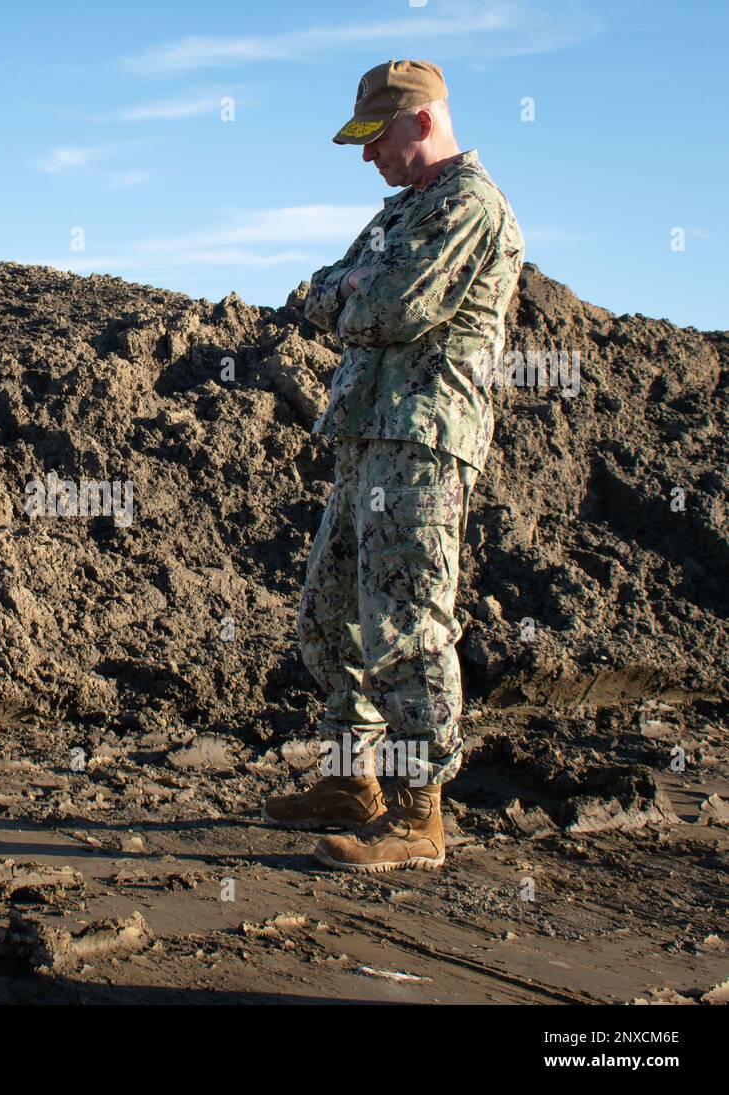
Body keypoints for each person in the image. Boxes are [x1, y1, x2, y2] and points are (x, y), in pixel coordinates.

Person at [264, 60, 524, 871]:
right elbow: (335, 289)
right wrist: (347, 291)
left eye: (377, 137)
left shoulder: (470, 205)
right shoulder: (402, 213)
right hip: (369, 440)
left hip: (422, 444)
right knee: (329, 616)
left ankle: (419, 817)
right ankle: (352, 783)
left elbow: (388, 305)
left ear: (422, 121)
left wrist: (346, 294)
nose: (366, 156)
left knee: (408, 626)